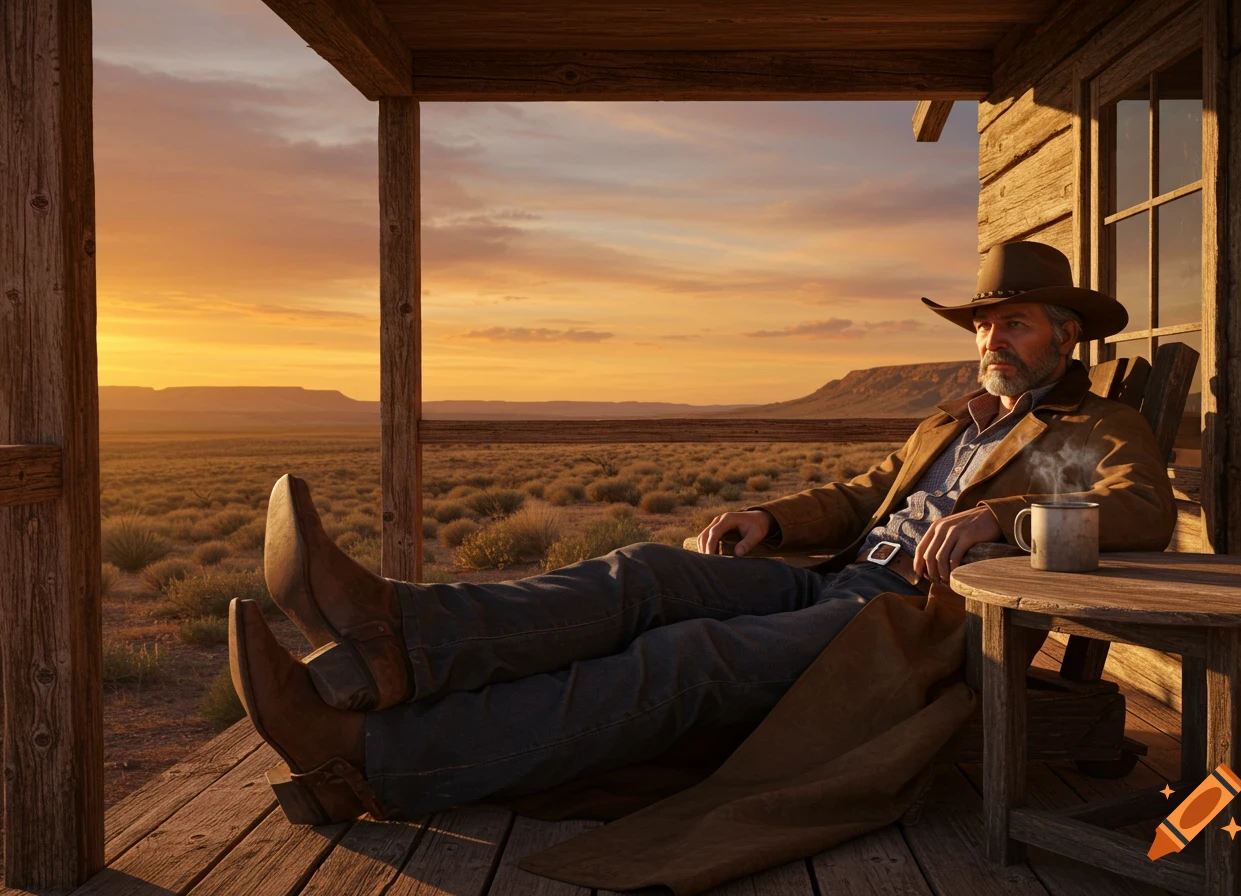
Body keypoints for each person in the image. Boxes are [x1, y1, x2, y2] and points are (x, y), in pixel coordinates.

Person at [229, 239, 1177, 825]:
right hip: (835, 579)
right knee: (646, 573)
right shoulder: (953, 421)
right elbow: (863, 494)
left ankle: (369, 757)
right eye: (983, 325)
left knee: (689, 657)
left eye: (1012, 325)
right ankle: (395, 637)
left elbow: (1138, 513)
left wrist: (1001, 518)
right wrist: (771, 519)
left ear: (1063, 336)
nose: (992, 341)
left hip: (916, 625)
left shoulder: (1085, 433)